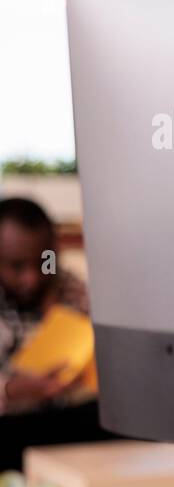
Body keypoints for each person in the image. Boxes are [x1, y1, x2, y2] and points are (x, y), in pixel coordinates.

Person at [0, 196, 108, 469]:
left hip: (63, 422)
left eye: (43, 262)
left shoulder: (69, 288)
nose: (31, 278)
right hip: (10, 428)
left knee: (109, 418)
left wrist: (54, 306)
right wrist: (12, 389)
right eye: (17, 266)